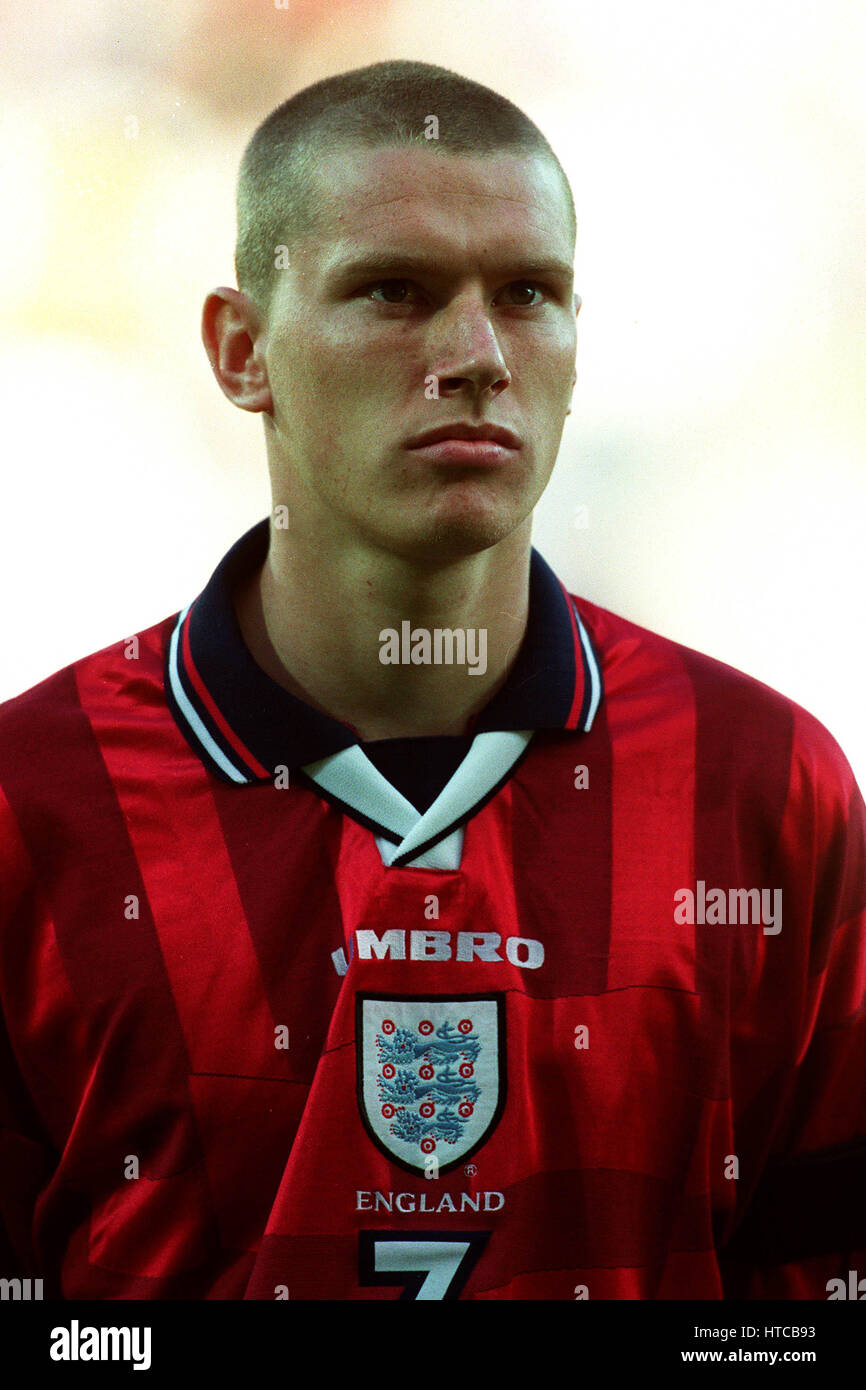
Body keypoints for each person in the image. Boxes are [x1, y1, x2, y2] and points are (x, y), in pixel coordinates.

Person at [0, 58, 864, 1303]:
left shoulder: (765, 788)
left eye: (525, 294)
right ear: (241, 350)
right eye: (393, 291)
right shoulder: (36, 806)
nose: (473, 355)